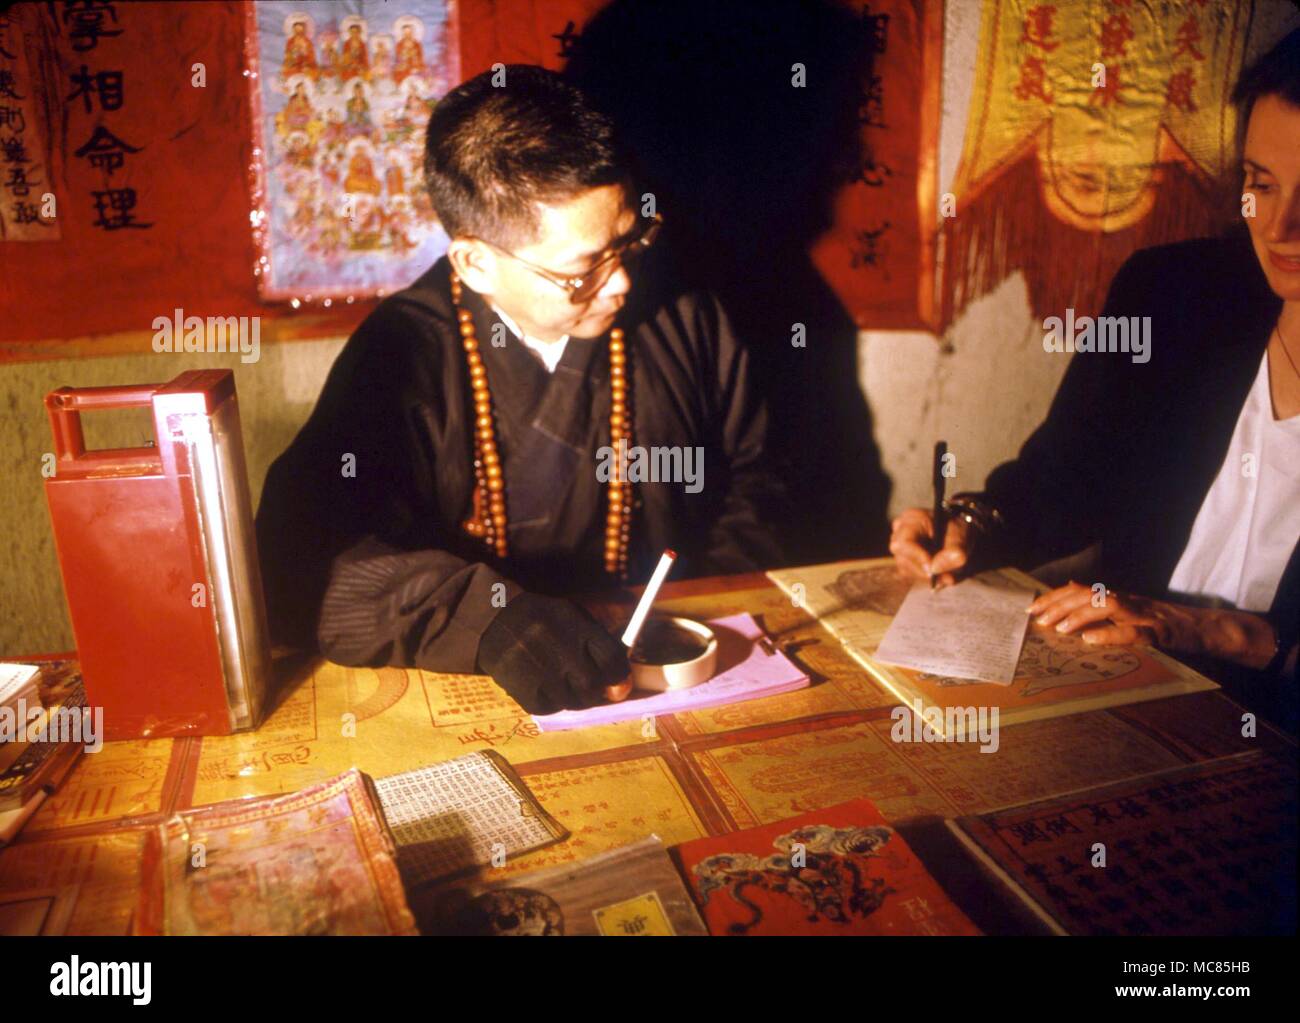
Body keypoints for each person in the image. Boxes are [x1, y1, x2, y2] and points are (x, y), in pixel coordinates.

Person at [256, 66, 783, 714]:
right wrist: (485, 621)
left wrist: (696, 613)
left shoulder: (683, 314)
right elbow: (300, 560)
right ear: (476, 262)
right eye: (584, 268)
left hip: (674, 669)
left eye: (628, 242)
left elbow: (757, 480)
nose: (621, 283)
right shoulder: (403, 353)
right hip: (480, 693)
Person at [889, 30, 1300, 727]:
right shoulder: (1174, 296)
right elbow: (1067, 474)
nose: (1282, 226)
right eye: (1261, 185)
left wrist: (1201, 628)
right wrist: (971, 525)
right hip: (1121, 701)